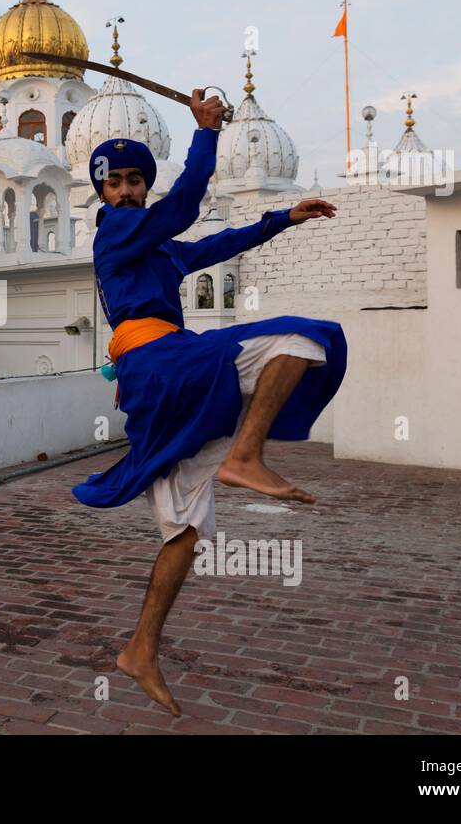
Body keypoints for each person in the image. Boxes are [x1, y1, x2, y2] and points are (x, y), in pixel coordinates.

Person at [72, 91, 347, 716]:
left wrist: (284, 219)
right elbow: (186, 206)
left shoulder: (158, 249)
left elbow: (216, 244)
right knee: (304, 338)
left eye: (134, 179)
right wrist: (204, 133)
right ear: (101, 191)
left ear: (143, 183)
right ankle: (246, 455)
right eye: (112, 182)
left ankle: (140, 649)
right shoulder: (118, 231)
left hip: (163, 380)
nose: (124, 190)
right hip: (160, 365)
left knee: (185, 530)